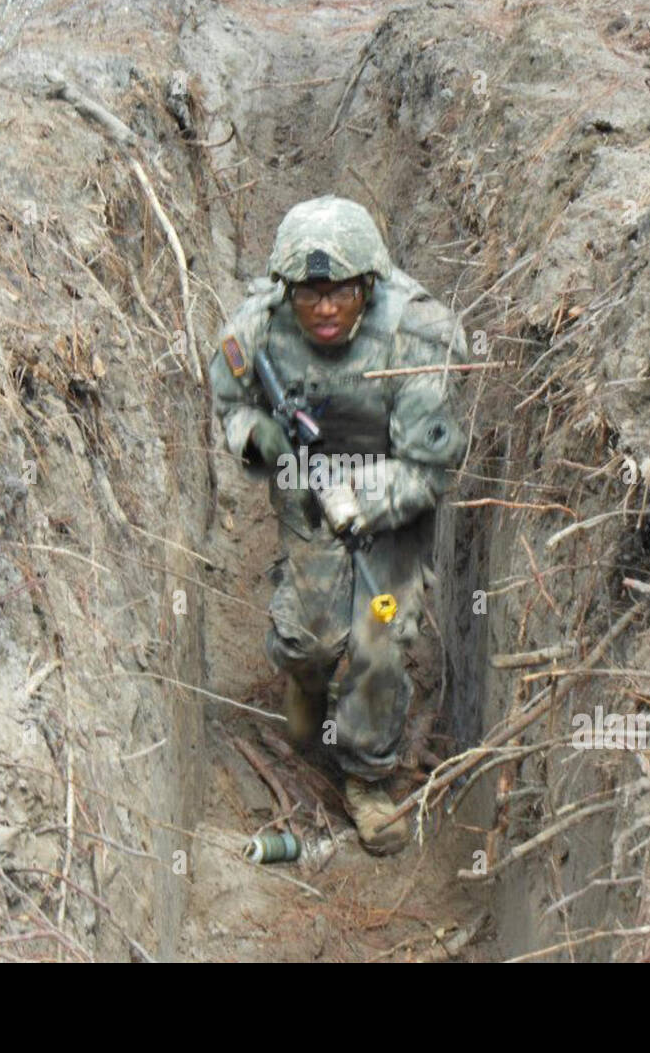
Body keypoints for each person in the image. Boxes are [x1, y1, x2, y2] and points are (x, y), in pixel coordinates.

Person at [209, 195, 467, 854]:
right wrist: (258, 436)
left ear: (370, 284)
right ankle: (306, 675)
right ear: (286, 289)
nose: (325, 309)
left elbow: (431, 464)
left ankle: (367, 776)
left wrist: (364, 496)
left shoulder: (418, 335)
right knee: (315, 640)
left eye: (341, 293)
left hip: (394, 504)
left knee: (379, 637)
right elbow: (231, 399)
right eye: (309, 294)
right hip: (307, 499)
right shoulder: (257, 328)